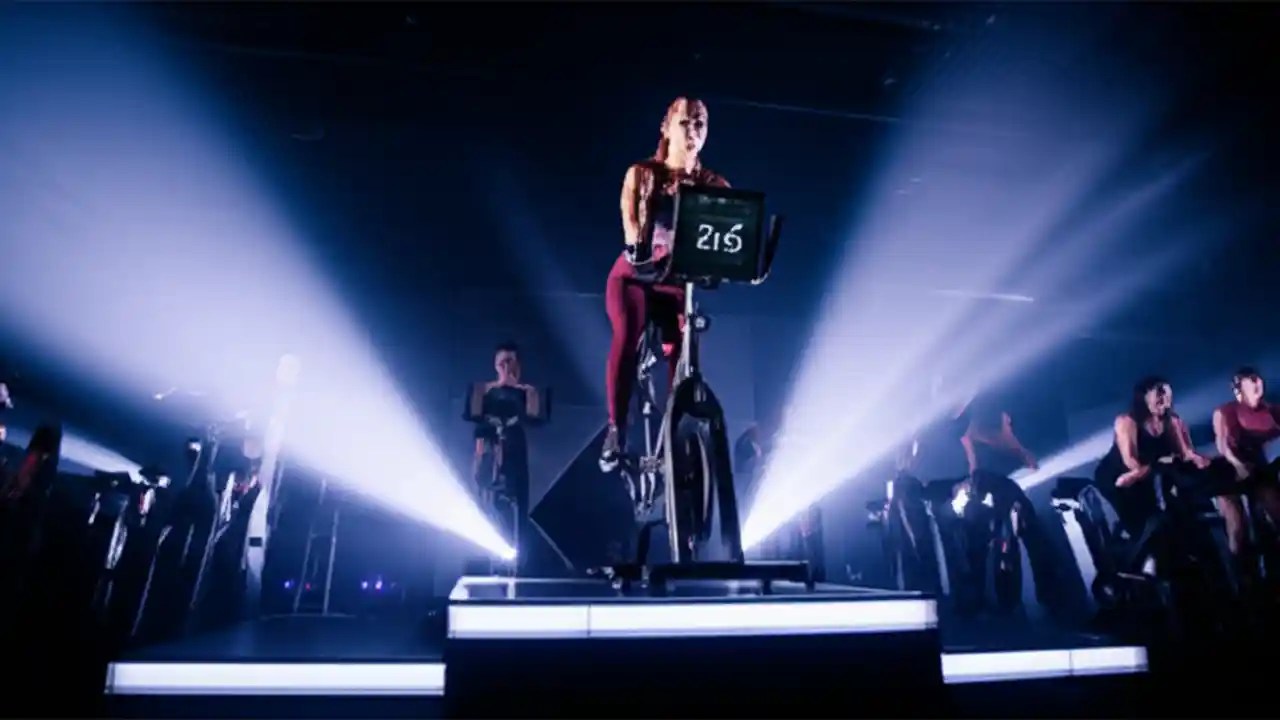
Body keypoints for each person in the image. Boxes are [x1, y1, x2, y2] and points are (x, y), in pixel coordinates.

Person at [601, 97, 730, 471]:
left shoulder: (715, 185)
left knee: (683, 346)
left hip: (676, 282)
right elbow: (631, 227)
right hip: (635, 277)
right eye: (685, 122)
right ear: (667, 128)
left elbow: (726, 236)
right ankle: (616, 429)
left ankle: (677, 436)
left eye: (700, 123)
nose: (693, 131)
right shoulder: (642, 174)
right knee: (628, 331)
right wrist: (646, 249)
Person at [953, 394, 1067, 616]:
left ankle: (1037, 594)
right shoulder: (972, 432)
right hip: (989, 489)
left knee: (1019, 535)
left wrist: (1014, 442)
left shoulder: (996, 433)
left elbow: (1028, 460)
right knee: (1005, 538)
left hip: (1003, 492)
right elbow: (975, 466)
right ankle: (1006, 598)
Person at [1093, 376, 1211, 537]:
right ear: (1144, 397)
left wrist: (1199, 460)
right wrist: (1157, 466)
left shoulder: (1173, 421)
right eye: (1159, 393)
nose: (1165, 398)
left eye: (1167, 393)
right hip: (1117, 477)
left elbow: (1185, 453)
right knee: (1141, 525)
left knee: (1171, 516)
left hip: (1150, 472)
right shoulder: (1127, 421)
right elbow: (1130, 461)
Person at [1210, 367, 1280, 582]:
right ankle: (1239, 577)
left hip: (1258, 468)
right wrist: (1239, 465)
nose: (1257, 382)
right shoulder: (1226, 411)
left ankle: (1271, 567)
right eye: (1250, 380)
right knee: (1237, 525)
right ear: (1238, 388)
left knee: (1276, 512)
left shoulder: (1272, 411)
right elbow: (1224, 446)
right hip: (1228, 472)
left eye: (1257, 379)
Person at [469, 342, 536, 562]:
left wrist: (517, 389)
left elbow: (534, 417)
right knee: (490, 501)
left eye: (512, 362)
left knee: (517, 502)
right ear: (496, 365)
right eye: (503, 363)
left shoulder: (527, 392)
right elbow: (476, 421)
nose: (508, 367)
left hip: (515, 450)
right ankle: (491, 554)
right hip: (490, 451)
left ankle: (518, 556)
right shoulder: (483, 391)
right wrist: (480, 455)